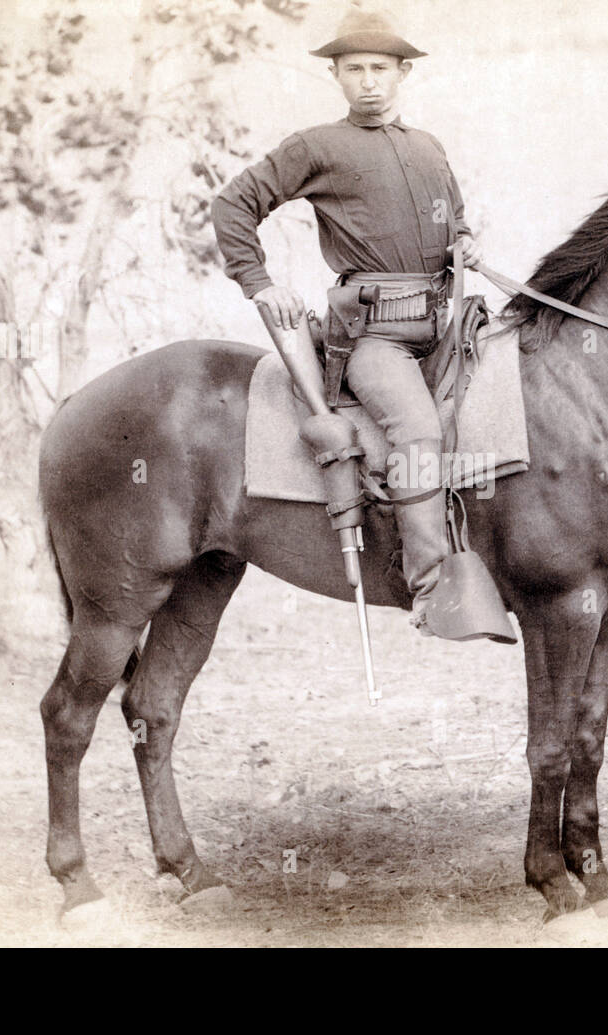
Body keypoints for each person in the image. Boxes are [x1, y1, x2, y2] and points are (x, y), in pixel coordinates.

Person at [211, 7, 482, 639]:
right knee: (416, 428)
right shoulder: (317, 147)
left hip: (445, 328)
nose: (368, 82)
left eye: (380, 69)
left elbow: (458, 220)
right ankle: (432, 585)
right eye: (354, 69)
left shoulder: (427, 146)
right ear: (336, 75)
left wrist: (463, 243)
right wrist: (261, 282)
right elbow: (233, 205)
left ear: (402, 72)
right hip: (373, 338)